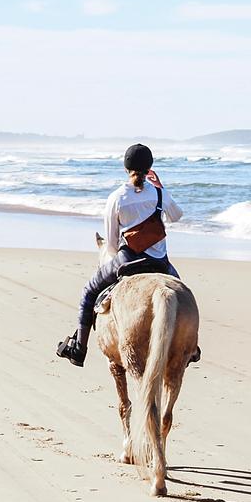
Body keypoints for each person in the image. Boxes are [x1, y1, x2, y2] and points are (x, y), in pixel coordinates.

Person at [56, 144, 196, 367]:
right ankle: (191, 346)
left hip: (127, 262)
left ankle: (78, 348)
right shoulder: (159, 193)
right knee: (183, 295)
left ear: (125, 168)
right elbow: (177, 216)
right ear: (150, 167)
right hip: (160, 263)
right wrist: (162, 188)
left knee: (89, 291)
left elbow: (111, 244)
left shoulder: (117, 198)